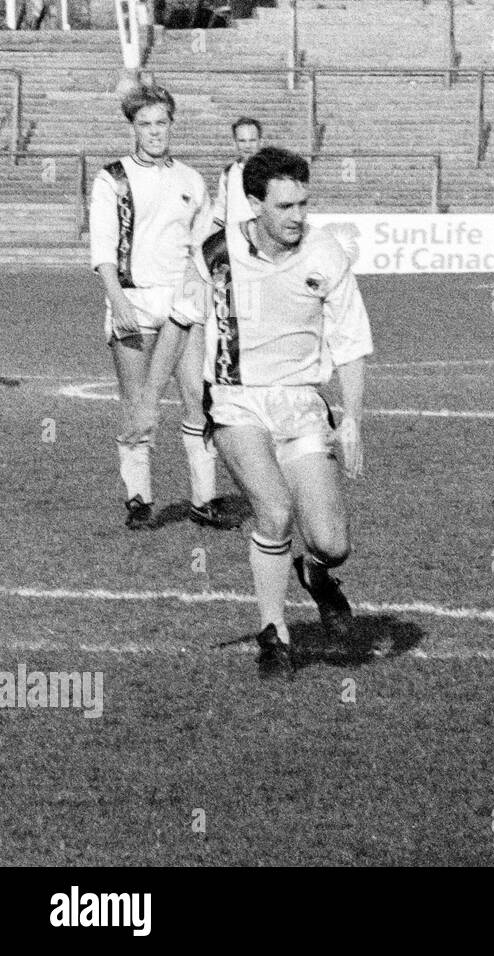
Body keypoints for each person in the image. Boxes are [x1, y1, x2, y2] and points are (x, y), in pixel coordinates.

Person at [128, 146, 372, 680]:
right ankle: (273, 633)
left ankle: (316, 574)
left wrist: (352, 416)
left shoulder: (326, 254)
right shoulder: (217, 252)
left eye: (303, 203)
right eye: (285, 206)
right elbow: (180, 322)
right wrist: (147, 398)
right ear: (255, 203)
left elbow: (351, 345)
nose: (298, 216)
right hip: (236, 401)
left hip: (302, 403)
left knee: (332, 543)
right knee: (274, 511)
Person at [89, 83, 227, 529]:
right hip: (133, 300)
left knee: (197, 399)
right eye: (145, 123)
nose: (154, 131)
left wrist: (199, 291)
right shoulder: (112, 178)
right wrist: (117, 301)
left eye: (161, 122)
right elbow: (104, 248)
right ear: (132, 127)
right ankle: (140, 500)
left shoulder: (190, 179)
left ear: (172, 124)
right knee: (137, 403)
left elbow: (204, 247)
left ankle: (204, 500)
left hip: (183, 301)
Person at [212, 116, 262, 232]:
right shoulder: (228, 174)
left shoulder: (273, 172)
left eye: (252, 140)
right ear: (235, 143)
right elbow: (220, 212)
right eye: (242, 141)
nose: (247, 146)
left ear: (260, 141)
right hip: (234, 239)